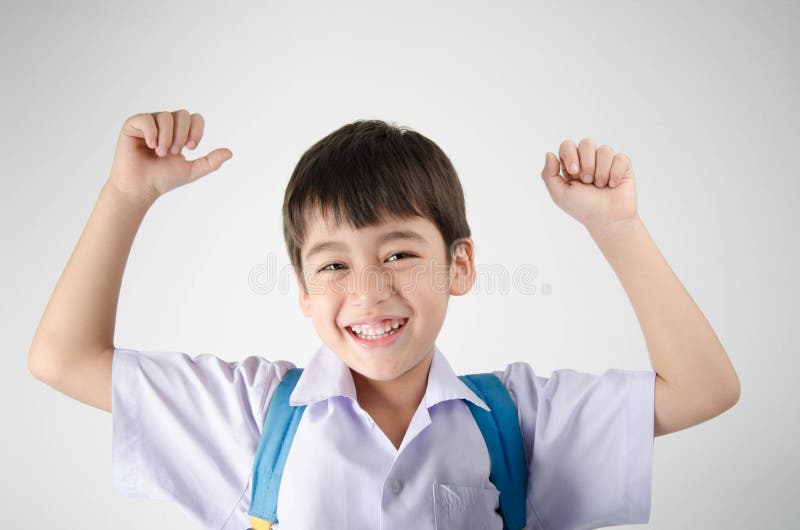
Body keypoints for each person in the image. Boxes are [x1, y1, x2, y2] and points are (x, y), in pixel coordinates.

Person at [28, 109, 741, 529]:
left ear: (459, 266)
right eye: (333, 265)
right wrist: (127, 195)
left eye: (399, 253)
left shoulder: (519, 421)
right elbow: (62, 358)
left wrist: (617, 229)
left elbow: (705, 388)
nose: (368, 291)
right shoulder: (250, 415)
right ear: (304, 292)